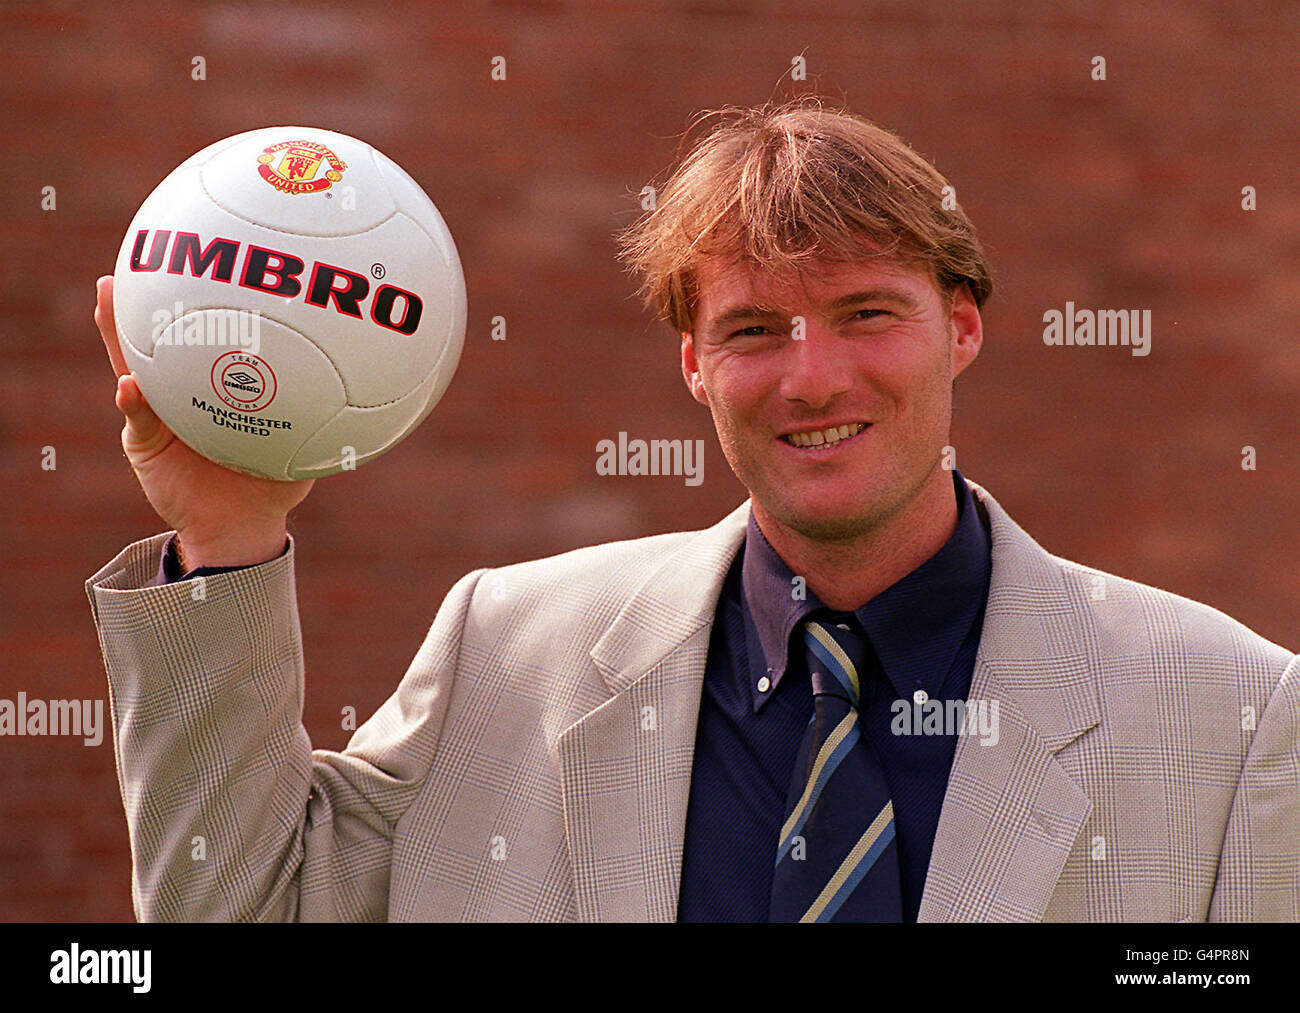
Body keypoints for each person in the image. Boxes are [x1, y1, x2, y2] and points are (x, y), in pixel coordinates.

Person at [87, 99, 1298, 922]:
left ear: (962, 326)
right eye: (754, 329)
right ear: (693, 366)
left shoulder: (1235, 715)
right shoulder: (508, 651)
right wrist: (229, 531)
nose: (811, 375)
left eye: (868, 312)